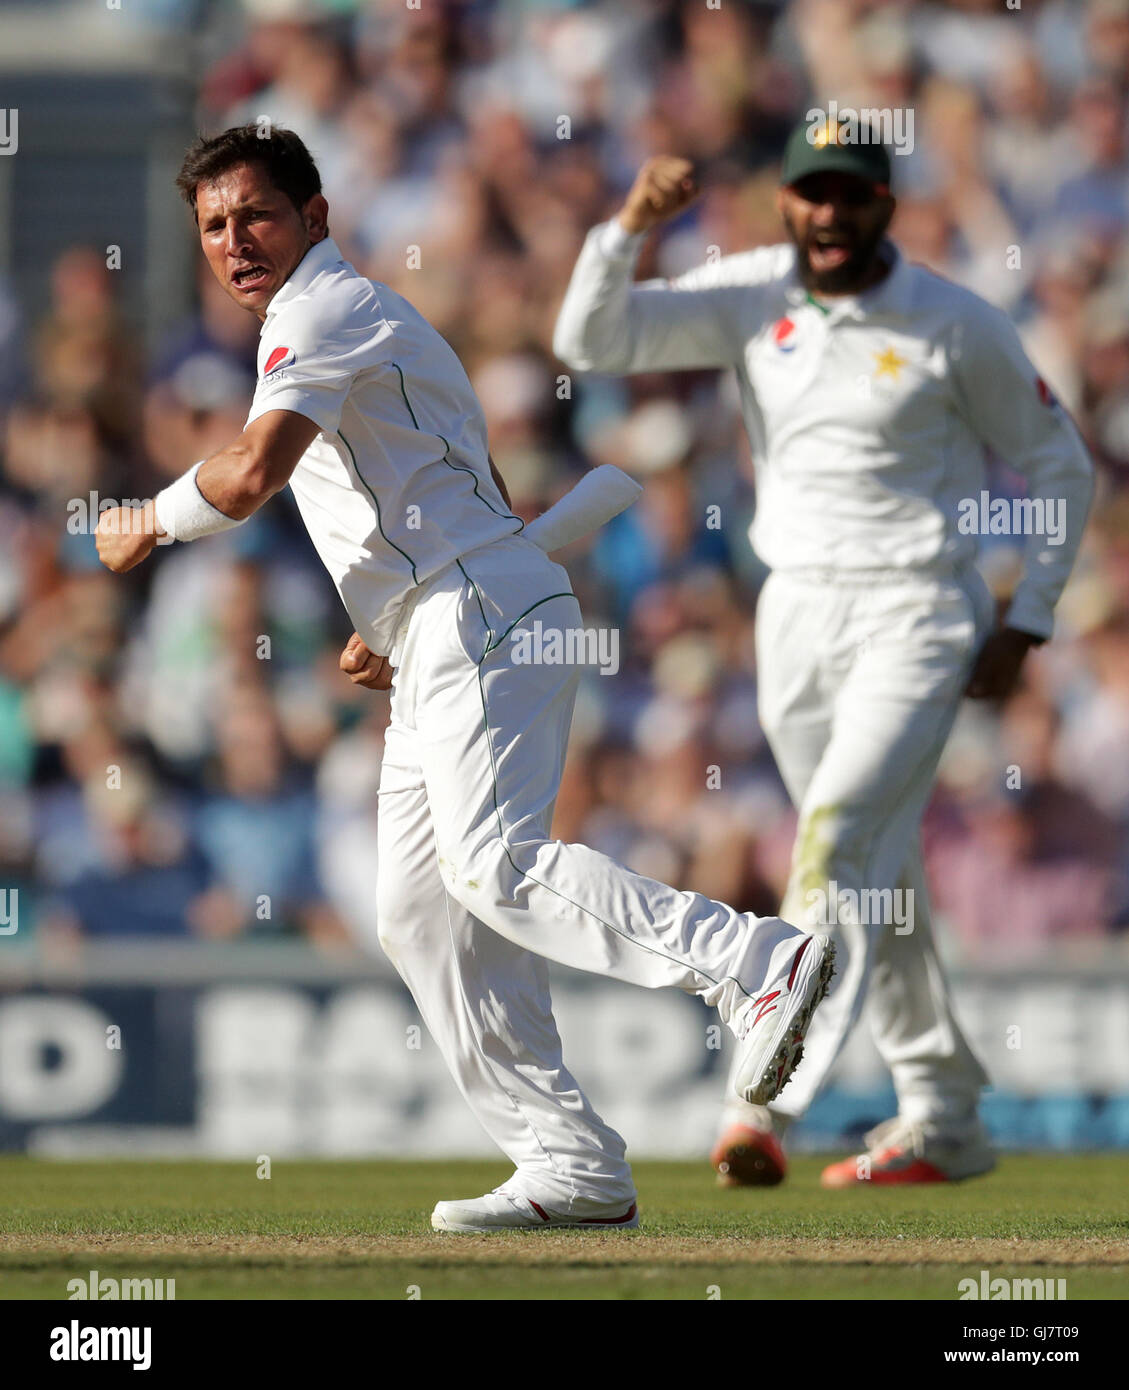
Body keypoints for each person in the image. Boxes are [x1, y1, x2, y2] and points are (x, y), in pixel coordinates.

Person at [94, 124, 833, 1231]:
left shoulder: (324, 310)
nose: (235, 240)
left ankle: (758, 959)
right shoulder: (341, 322)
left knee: (496, 868)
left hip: (477, 610)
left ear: (315, 217)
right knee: (418, 913)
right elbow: (462, 486)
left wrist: (147, 517)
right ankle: (569, 1160)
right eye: (213, 225)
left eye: (255, 214)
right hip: (443, 612)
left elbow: (249, 477)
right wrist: (386, 611)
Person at [553, 117, 1094, 1188]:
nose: (829, 213)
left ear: (883, 204)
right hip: (793, 612)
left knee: (834, 836)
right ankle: (943, 1112)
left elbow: (1058, 464)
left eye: (850, 193)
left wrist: (1027, 613)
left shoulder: (953, 322)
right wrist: (625, 230)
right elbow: (591, 344)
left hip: (916, 610)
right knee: (871, 870)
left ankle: (758, 1102)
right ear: (787, 203)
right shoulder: (752, 292)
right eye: (811, 193)